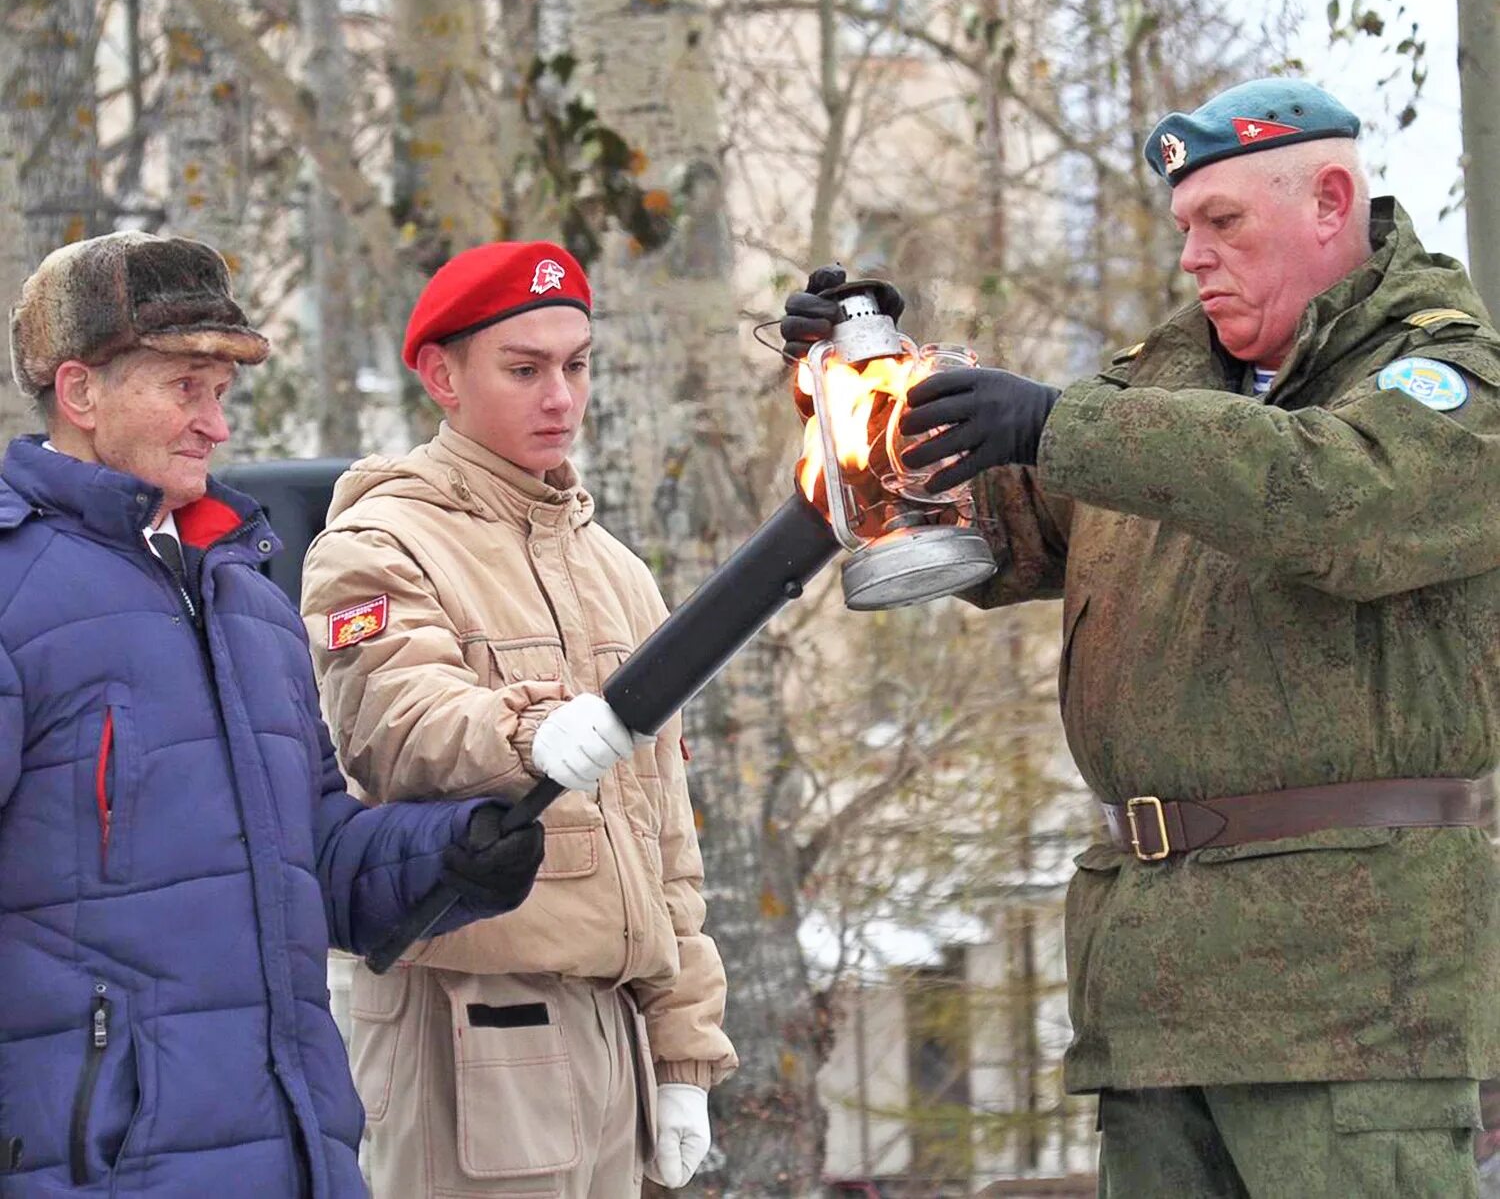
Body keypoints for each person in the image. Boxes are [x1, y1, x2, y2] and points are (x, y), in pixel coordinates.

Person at [783, 77, 1500, 1197]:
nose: (1194, 260)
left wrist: (1061, 423)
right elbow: (989, 531)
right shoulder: (1155, 382)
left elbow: (1334, 497)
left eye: (1225, 224)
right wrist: (868, 385)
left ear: (1329, 199)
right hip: (1155, 993)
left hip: (1350, 999)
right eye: (1183, 231)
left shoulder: (1447, 380)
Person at [0, 230, 546, 1198]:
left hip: (300, 1159)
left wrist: (454, 849)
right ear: (80, 393)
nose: (216, 424)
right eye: (185, 388)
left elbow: (315, 858)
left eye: (223, 392)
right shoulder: (13, 595)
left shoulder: (250, 601)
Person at [299, 240, 737, 1198]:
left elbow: (664, 837)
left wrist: (684, 1051)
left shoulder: (616, 571)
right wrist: (525, 730)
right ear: (440, 375)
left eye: (576, 366)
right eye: (524, 369)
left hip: (609, 1031)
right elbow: (394, 721)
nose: (561, 398)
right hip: (461, 1023)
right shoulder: (378, 542)